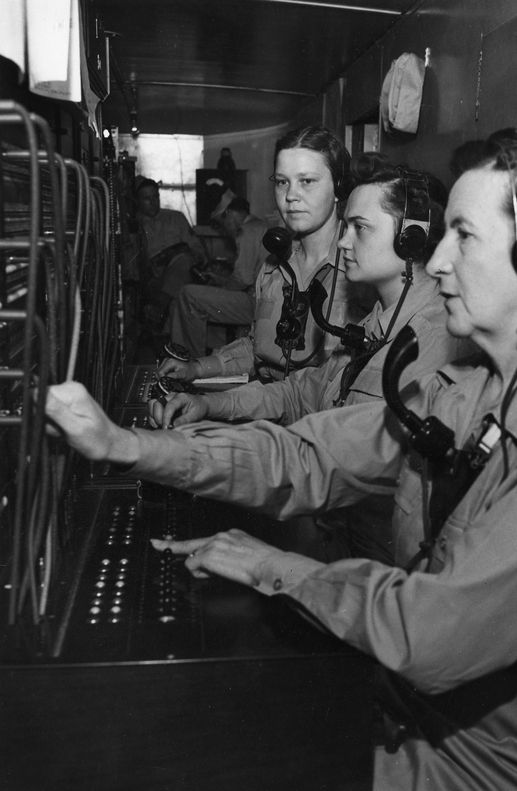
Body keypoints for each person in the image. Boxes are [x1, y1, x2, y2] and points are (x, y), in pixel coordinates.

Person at [47, 128, 517, 791]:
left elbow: (431, 635)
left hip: (512, 771)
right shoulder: (465, 390)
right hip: (417, 716)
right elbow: (310, 454)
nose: (436, 261)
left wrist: (276, 567)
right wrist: (129, 447)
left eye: (462, 237)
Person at [149, 152, 470, 564]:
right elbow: (303, 392)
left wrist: (172, 453)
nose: (343, 242)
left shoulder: (436, 339)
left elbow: (328, 457)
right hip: (340, 536)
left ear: (410, 239)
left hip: (382, 559)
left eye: (360, 228)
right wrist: (208, 403)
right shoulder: (376, 321)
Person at [155, 125, 374, 383]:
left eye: (307, 181)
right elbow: (257, 350)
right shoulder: (272, 269)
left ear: (339, 187)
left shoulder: (364, 271)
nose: (291, 195)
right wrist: (198, 368)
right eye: (282, 182)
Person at [168, 196, 268, 357]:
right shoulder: (259, 226)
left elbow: (243, 278)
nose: (224, 231)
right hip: (261, 300)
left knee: (188, 294)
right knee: (206, 297)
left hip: (256, 304)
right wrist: (219, 281)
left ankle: (188, 359)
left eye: (223, 225)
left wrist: (222, 290)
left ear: (229, 214)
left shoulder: (247, 230)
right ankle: (216, 354)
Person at [136, 178, 206, 330]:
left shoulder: (176, 217)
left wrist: (196, 255)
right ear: (138, 201)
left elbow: (197, 248)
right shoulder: (135, 225)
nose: (153, 202)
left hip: (183, 272)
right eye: (147, 198)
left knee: (183, 261)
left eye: (155, 197)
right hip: (155, 278)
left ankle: (160, 306)